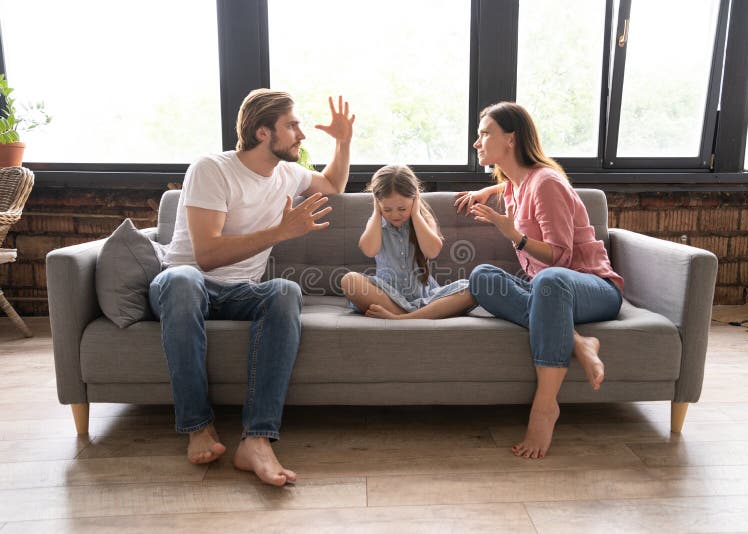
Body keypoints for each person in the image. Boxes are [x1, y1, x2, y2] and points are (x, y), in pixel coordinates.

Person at [149, 90, 355, 485]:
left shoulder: (288, 174)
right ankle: (197, 426)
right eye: (292, 125)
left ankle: (256, 440)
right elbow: (206, 255)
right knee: (183, 278)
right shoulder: (212, 169)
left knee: (285, 291)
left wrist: (343, 141)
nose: (301, 135)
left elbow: (332, 184)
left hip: (240, 293)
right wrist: (281, 231)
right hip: (185, 287)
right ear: (263, 132)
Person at [455, 102, 623, 460]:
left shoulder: (546, 183)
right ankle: (579, 341)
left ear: (511, 139)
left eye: (484, 134)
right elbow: (514, 186)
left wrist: (513, 235)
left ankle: (545, 407)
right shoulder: (515, 186)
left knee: (549, 279)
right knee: (483, 278)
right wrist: (486, 192)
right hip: (547, 291)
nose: (477, 142)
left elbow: (560, 257)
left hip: (593, 287)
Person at [341, 164, 475, 320]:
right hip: (387, 297)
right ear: (377, 202)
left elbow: (432, 251)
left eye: (402, 209)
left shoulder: (424, 220)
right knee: (349, 280)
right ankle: (412, 316)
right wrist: (377, 213)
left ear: (415, 198)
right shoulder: (376, 223)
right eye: (387, 209)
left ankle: (401, 318)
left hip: (425, 297)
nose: (395, 215)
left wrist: (416, 215)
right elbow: (369, 250)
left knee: (473, 288)